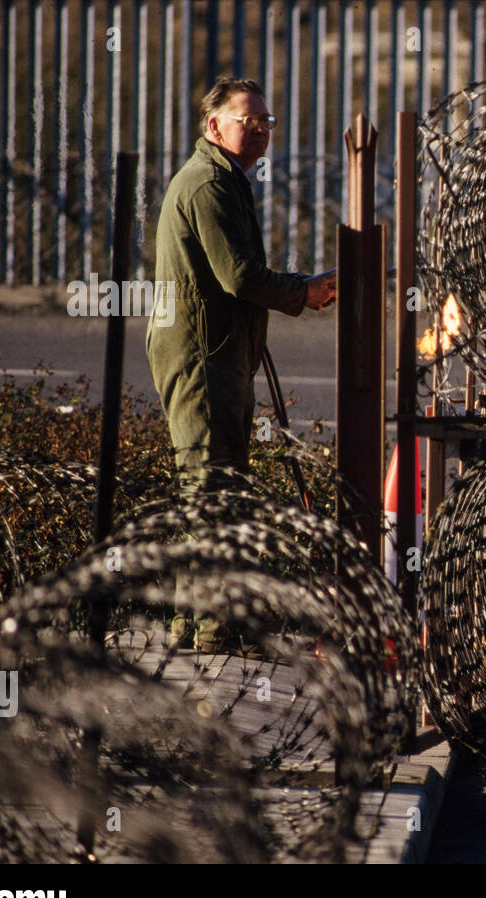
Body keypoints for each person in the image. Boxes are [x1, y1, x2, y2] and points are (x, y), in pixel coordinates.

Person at [147, 76, 336, 653]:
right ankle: (212, 631)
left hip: (219, 353)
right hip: (203, 360)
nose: (258, 132)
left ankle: (189, 624)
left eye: (266, 122)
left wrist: (293, 291)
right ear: (214, 127)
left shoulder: (226, 182)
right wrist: (302, 292)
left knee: (211, 490)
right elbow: (239, 276)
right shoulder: (208, 184)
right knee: (212, 493)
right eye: (246, 120)